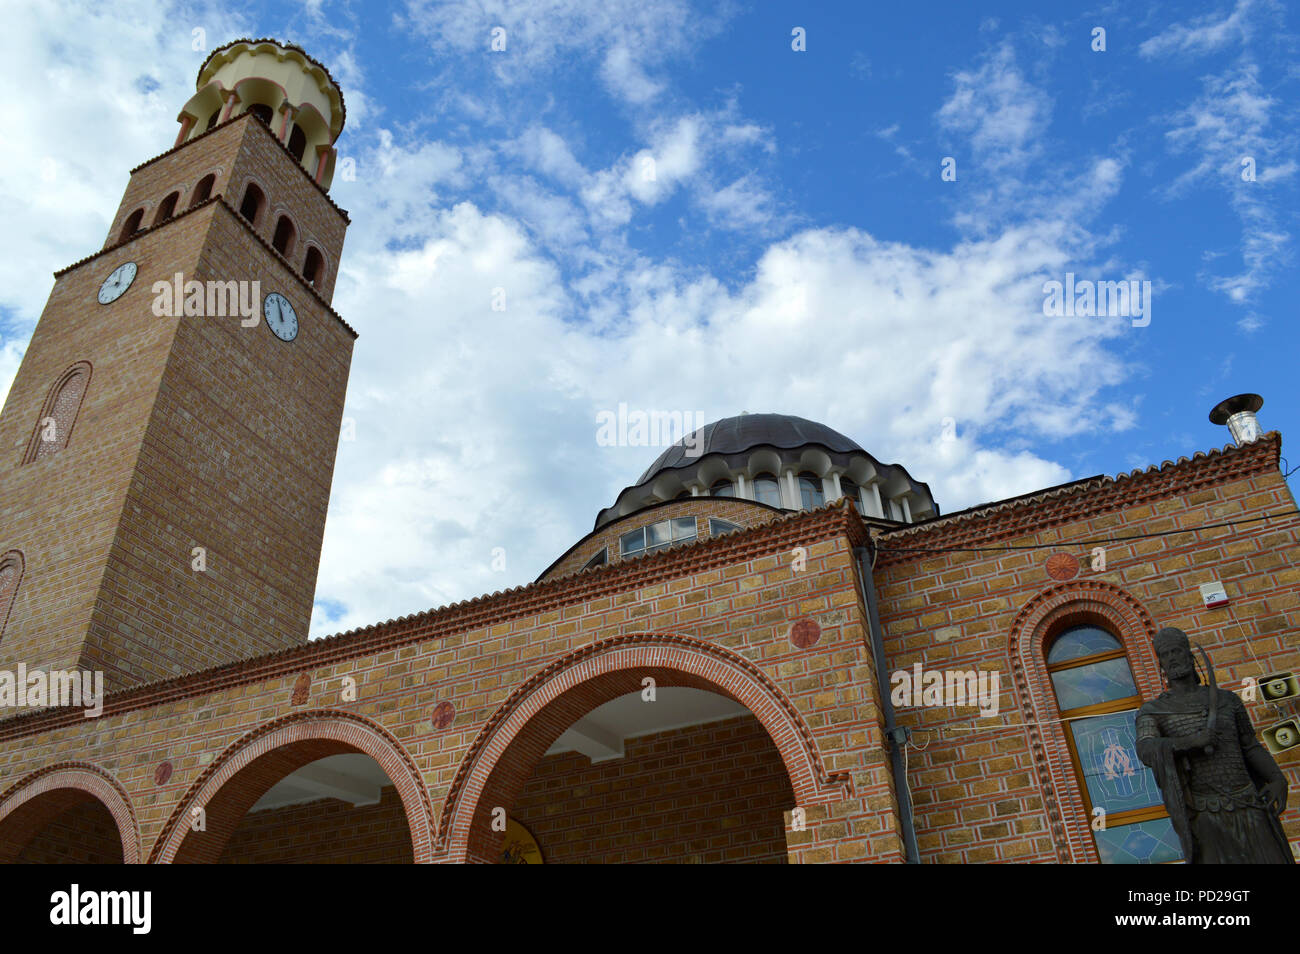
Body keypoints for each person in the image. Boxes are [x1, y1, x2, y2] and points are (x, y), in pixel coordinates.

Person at [1135, 626, 1292, 863]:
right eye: (1165, 655)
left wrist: (1277, 778)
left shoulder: (1228, 701)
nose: (1172, 658)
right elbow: (1146, 748)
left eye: (1177, 651)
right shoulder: (1153, 711)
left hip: (1248, 802)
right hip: (1206, 814)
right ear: (1161, 664)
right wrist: (1189, 742)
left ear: (1190, 655)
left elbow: (1250, 745)